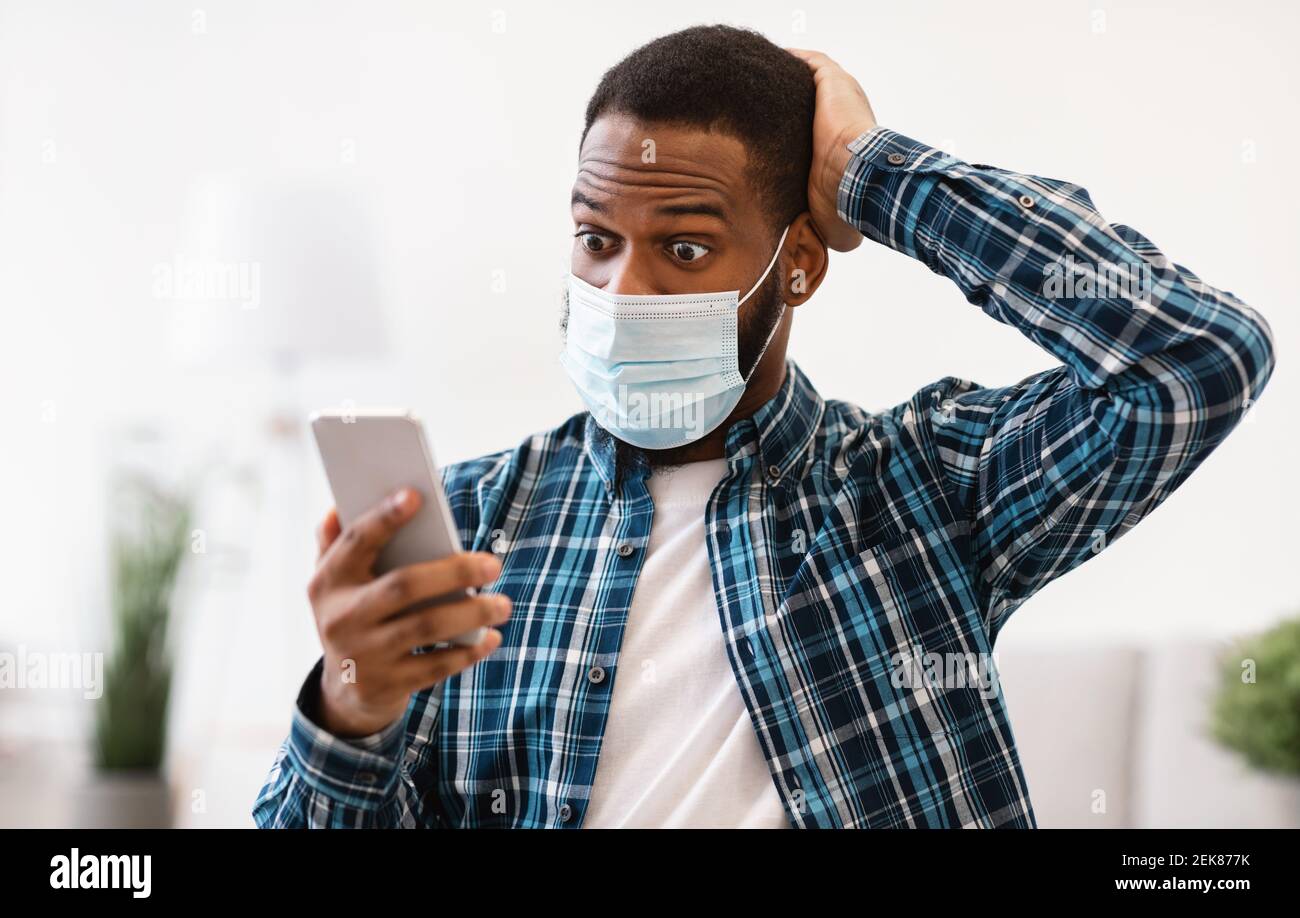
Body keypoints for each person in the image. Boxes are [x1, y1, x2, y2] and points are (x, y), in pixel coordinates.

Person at [254, 25, 1274, 828]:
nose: (623, 287)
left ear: (798, 264)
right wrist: (353, 709)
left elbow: (1199, 359)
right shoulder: (472, 524)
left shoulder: (921, 488)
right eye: (595, 240)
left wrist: (874, 173)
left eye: (686, 250)